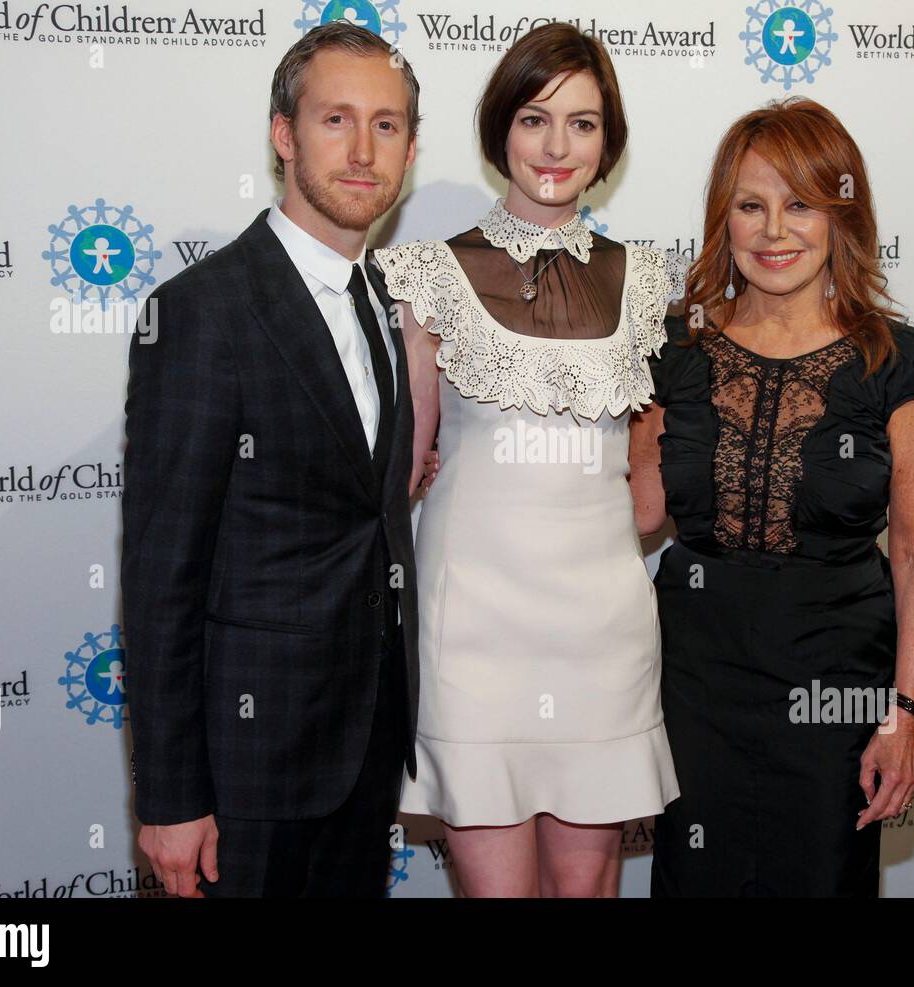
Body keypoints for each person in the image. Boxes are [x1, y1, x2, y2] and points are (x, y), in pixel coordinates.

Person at [373, 23, 684, 897]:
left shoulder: (650, 282)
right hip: (474, 626)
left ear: (608, 143)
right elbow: (409, 467)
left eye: (583, 125)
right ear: (500, 129)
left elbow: (649, 492)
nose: (556, 147)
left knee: (585, 892)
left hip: (601, 631)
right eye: (536, 118)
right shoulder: (425, 277)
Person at [120, 22, 422, 898]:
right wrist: (172, 797)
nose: (363, 150)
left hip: (364, 752)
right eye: (336, 120)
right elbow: (162, 573)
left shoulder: (385, 304)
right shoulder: (203, 312)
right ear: (284, 136)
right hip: (242, 778)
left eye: (388, 124)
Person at [629, 97, 914, 897]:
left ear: (842, 214)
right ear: (723, 220)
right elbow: (631, 510)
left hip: (834, 689)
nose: (775, 231)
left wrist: (905, 714)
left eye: (800, 203)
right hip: (692, 685)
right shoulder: (672, 349)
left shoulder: (898, 361)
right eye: (751, 205)